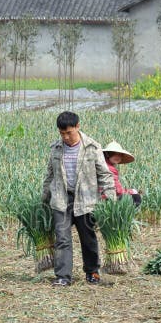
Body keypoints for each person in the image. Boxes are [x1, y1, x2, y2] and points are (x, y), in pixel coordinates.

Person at [42, 111, 116, 287]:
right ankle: (63, 276)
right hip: (61, 198)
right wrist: (44, 198)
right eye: (62, 133)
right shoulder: (56, 148)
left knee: (88, 237)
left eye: (69, 132)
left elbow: (105, 175)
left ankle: (92, 272)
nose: (66, 137)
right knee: (62, 238)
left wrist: (110, 199)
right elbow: (49, 175)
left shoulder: (92, 147)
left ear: (77, 126)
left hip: (86, 199)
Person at [103, 140, 142, 207]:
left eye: (120, 154)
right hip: (105, 199)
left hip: (102, 197)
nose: (117, 156)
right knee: (136, 198)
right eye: (114, 153)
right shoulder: (110, 169)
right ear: (107, 154)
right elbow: (118, 190)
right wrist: (132, 191)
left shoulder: (104, 165)